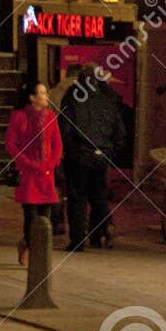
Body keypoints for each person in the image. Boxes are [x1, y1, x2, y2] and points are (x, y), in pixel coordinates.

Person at [59, 64, 126, 251]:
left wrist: (70, 149)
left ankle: (78, 240)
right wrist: (109, 151)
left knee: (77, 198)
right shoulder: (109, 99)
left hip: (79, 156)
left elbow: (64, 127)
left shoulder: (72, 97)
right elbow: (120, 131)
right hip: (102, 155)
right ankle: (99, 234)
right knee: (99, 196)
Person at [5, 80, 63, 266]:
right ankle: (28, 245)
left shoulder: (51, 117)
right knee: (30, 216)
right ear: (32, 98)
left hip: (46, 173)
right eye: (43, 93)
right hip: (28, 173)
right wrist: (27, 162)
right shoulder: (20, 117)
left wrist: (51, 163)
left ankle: (37, 250)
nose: (46, 96)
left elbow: (57, 144)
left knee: (46, 217)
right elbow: (11, 144)